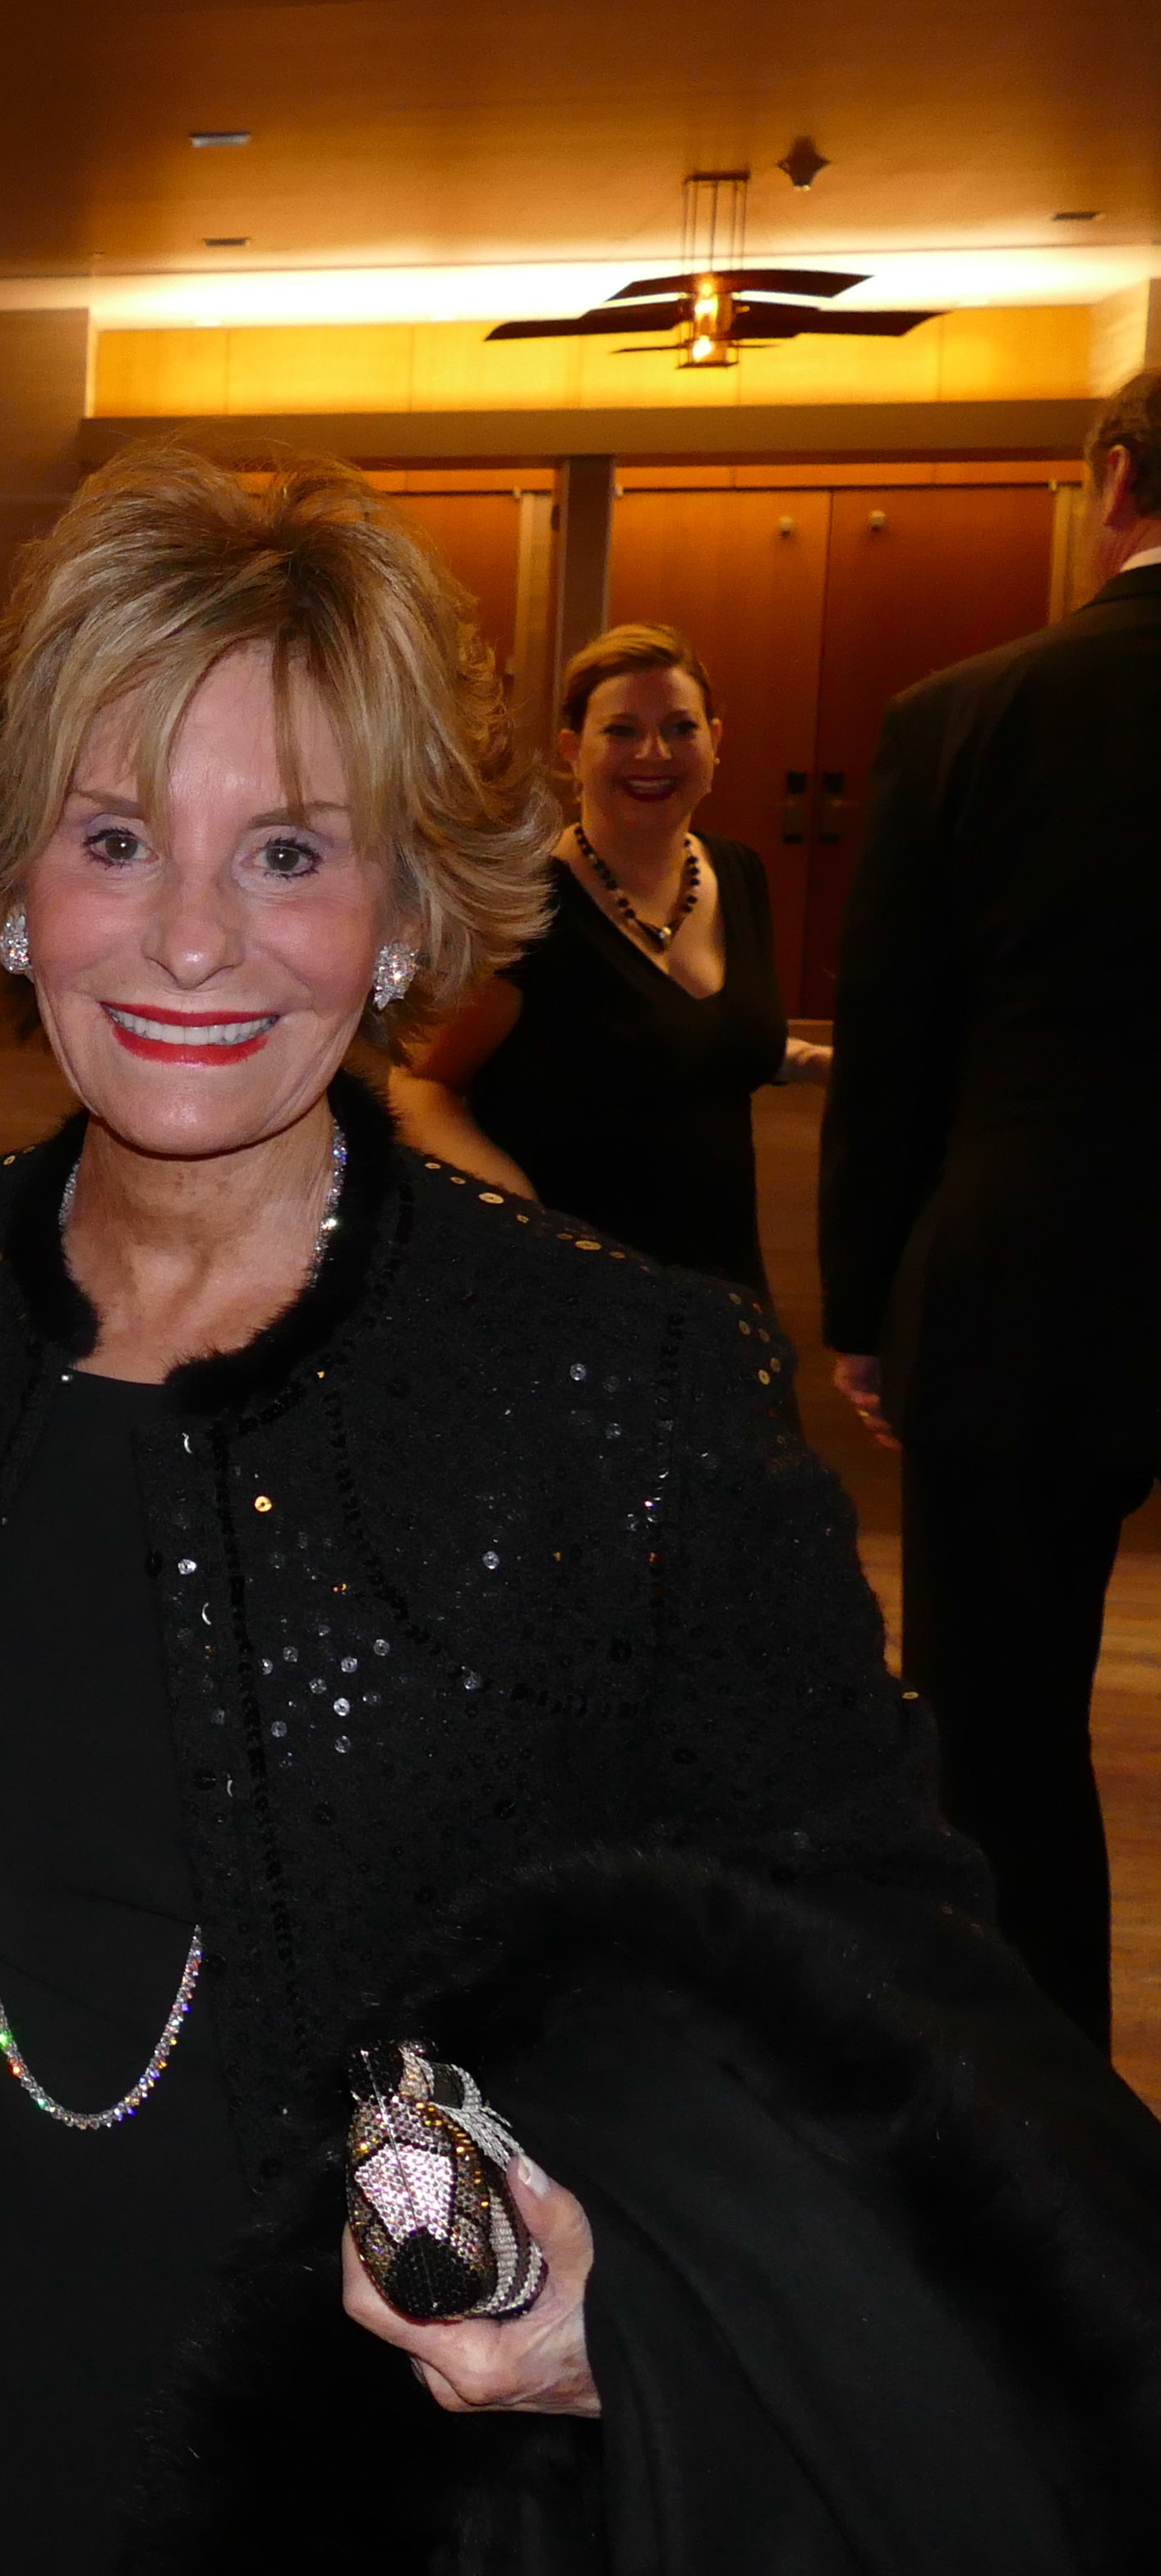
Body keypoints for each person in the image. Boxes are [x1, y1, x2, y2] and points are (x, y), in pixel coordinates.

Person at [0, 445, 1161, 2571]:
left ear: (407, 910)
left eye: (282, 849)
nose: (182, 934)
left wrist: (627, 2279)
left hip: (393, 2478)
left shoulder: (604, 1384)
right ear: (4, 887)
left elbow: (879, 1962)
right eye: (106, 837)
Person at [820, 368, 1161, 2051]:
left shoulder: (969, 714)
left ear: (1114, 482)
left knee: (998, 1730)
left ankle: (1036, 2112)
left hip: (1021, 1272)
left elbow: (892, 1042)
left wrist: (866, 1300)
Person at [387, 622, 823, 1293]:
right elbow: (421, 1084)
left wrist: (804, 1059)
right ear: (571, 750)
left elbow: (691, 1040)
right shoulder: (528, 902)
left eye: (681, 727)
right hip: (571, 1290)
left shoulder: (739, 873)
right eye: (621, 731)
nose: (654, 753)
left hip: (721, 1283)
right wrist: (514, 1211)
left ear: (716, 742)